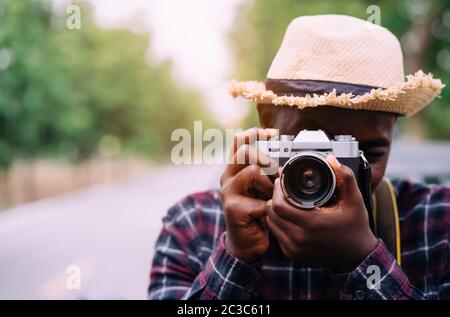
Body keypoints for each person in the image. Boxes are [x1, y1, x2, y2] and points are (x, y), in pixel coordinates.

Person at [148, 14, 448, 300]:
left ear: (393, 133)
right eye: (310, 152)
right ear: (266, 124)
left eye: (364, 155)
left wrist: (361, 259)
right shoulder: (194, 226)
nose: (336, 174)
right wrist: (236, 254)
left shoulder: (437, 222)